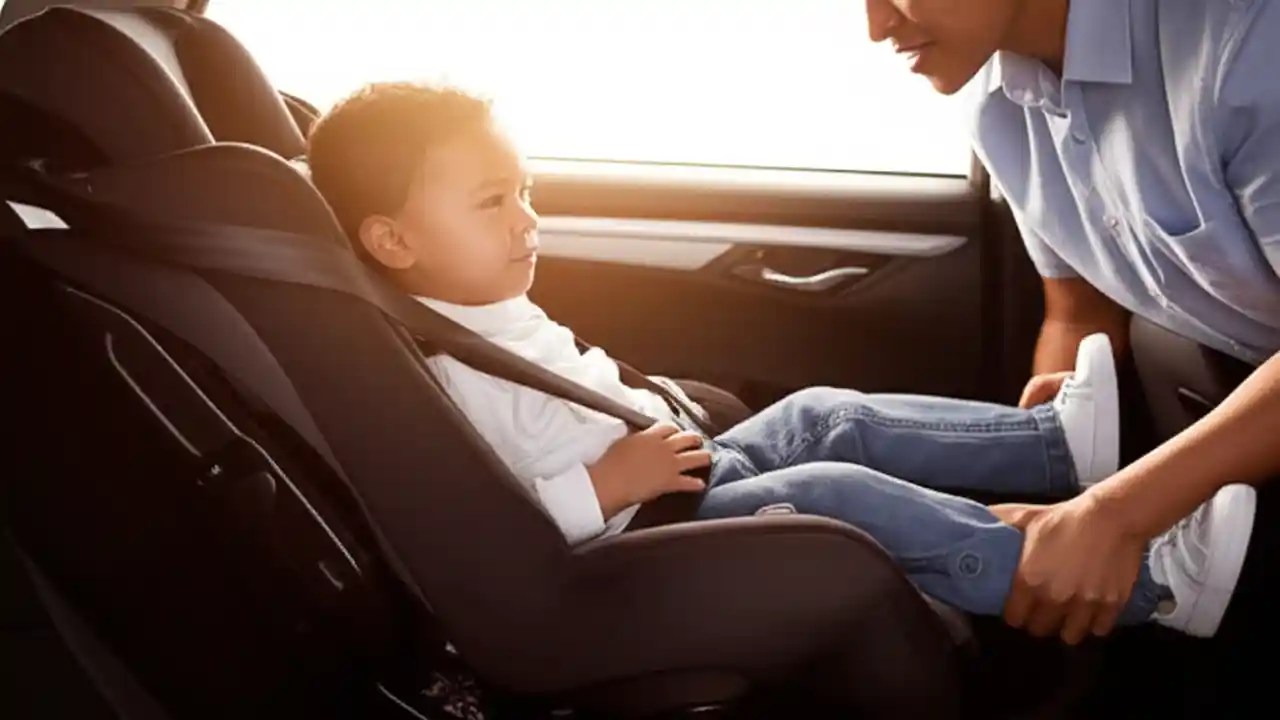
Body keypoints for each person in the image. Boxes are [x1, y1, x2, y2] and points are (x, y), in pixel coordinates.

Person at [305, 81, 1254, 638]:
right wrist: (605, 485)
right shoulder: (442, 368)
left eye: (524, 191)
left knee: (822, 412)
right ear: (393, 240)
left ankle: (1057, 447)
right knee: (836, 490)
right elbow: (485, 534)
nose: (526, 220)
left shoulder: (481, 308)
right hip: (638, 532)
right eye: (490, 203)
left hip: (674, 470)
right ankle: (1153, 587)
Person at [864, 0, 1280, 649]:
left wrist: (1115, 515)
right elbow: (1079, 311)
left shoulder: (1247, 44)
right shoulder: (993, 100)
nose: (876, 25)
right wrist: (1051, 467)